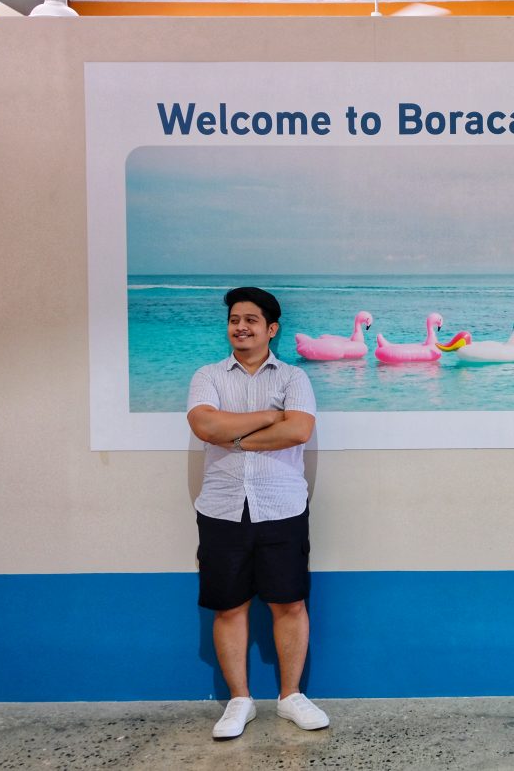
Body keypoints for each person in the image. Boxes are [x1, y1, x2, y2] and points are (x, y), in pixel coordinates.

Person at [186, 286, 328, 740]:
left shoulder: (292, 378)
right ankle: (239, 701)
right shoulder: (207, 375)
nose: (240, 326)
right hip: (222, 507)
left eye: (250, 319)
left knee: (289, 602)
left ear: (272, 328)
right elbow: (205, 425)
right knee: (228, 607)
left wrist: (236, 434)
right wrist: (269, 416)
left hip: (282, 505)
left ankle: (290, 697)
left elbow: (299, 430)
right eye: (234, 319)